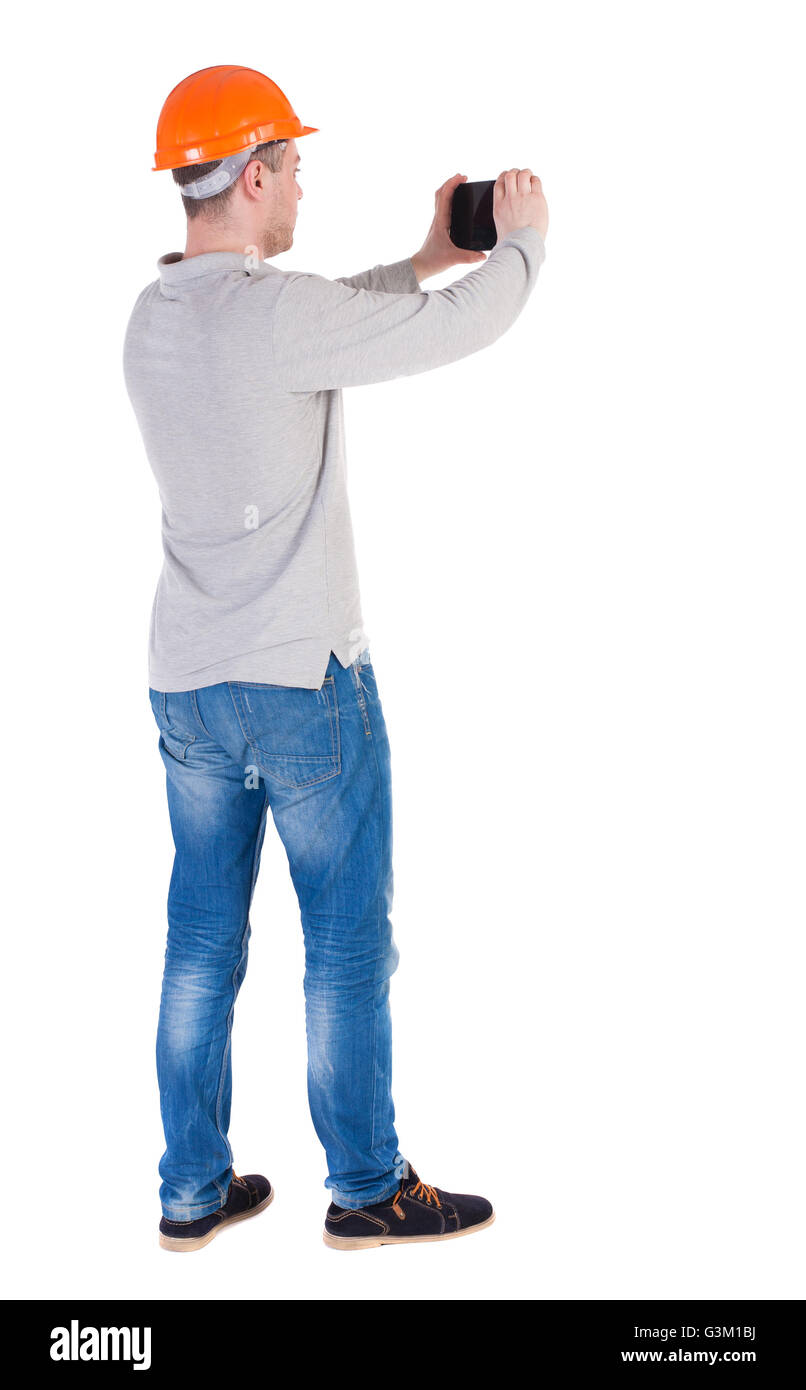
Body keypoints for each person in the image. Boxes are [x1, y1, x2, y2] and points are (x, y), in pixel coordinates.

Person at [123, 64, 549, 1253]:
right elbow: (463, 327)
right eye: (294, 164)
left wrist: (419, 255)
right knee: (347, 943)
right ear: (252, 173)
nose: (302, 181)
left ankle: (189, 1190)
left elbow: (321, 317)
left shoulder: (156, 316)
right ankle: (366, 1185)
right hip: (306, 685)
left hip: (189, 687)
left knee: (201, 942)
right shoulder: (277, 315)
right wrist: (518, 244)